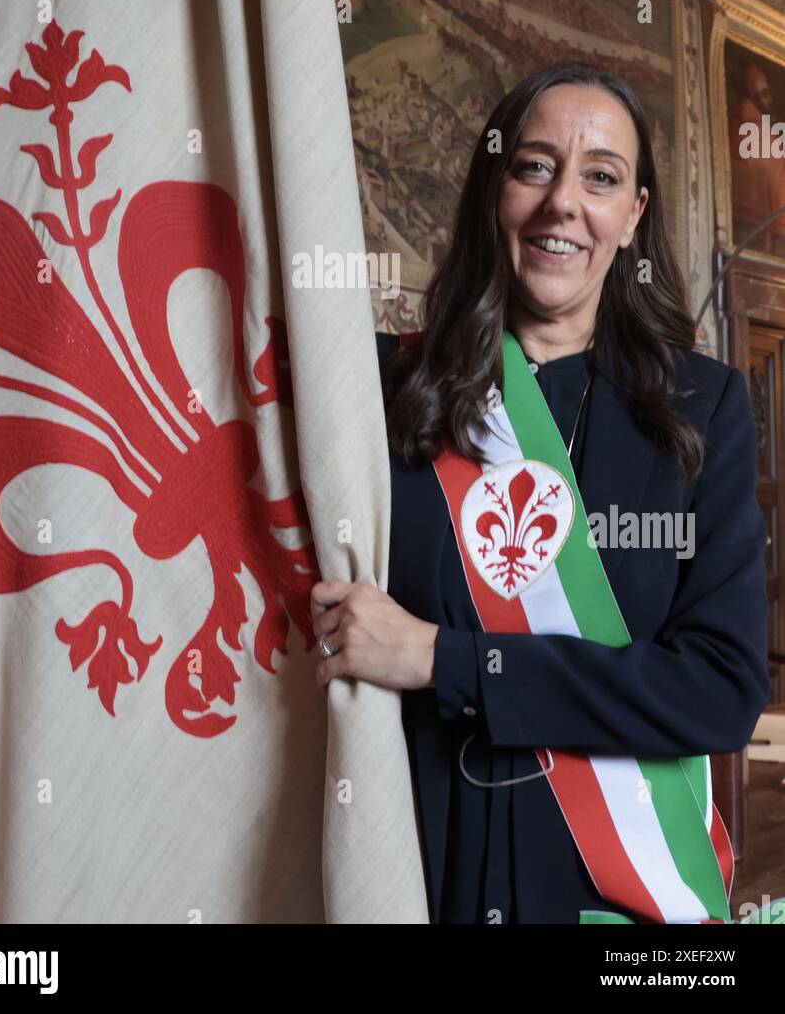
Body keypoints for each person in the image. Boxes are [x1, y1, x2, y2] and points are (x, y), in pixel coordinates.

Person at [312, 60, 771, 924]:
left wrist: (446, 660)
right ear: (496, 190)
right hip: (420, 878)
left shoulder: (699, 408)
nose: (563, 202)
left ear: (633, 216)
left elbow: (719, 690)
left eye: (601, 178)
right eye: (534, 167)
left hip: (608, 901)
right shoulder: (384, 387)